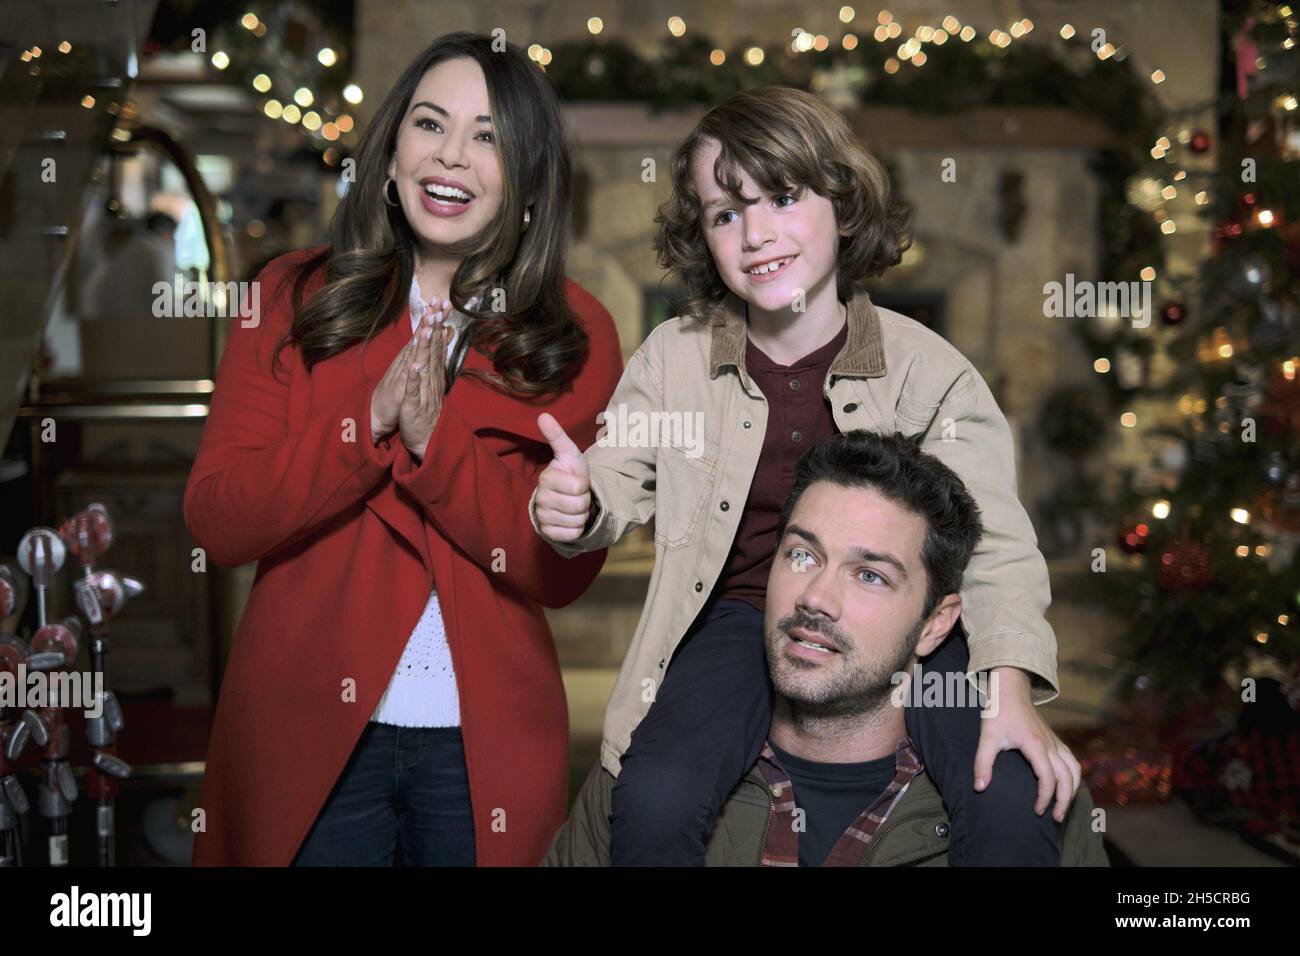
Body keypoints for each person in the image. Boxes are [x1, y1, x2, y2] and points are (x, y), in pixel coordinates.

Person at [532, 87, 1080, 866]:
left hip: (906, 632)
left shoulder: (930, 368)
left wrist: (1011, 689)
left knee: (1013, 801)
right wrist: (579, 500)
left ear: (842, 202)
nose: (756, 233)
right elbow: (614, 477)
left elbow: (994, 546)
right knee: (655, 797)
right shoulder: (674, 355)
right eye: (726, 213)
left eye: (783, 197)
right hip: (736, 619)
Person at [185, 32, 622, 866]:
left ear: (528, 182)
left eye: (488, 136)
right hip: (305, 726)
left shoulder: (575, 332)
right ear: (389, 157)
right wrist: (365, 422)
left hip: (481, 744)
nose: (452, 154)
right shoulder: (288, 297)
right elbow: (219, 521)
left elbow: (557, 575)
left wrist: (439, 444)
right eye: (429, 124)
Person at [542, 431, 1107, 867]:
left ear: (937, 624)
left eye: (870, 576)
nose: (817, 597)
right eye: (803, 556)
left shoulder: (1034, 801)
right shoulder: (641, 773)